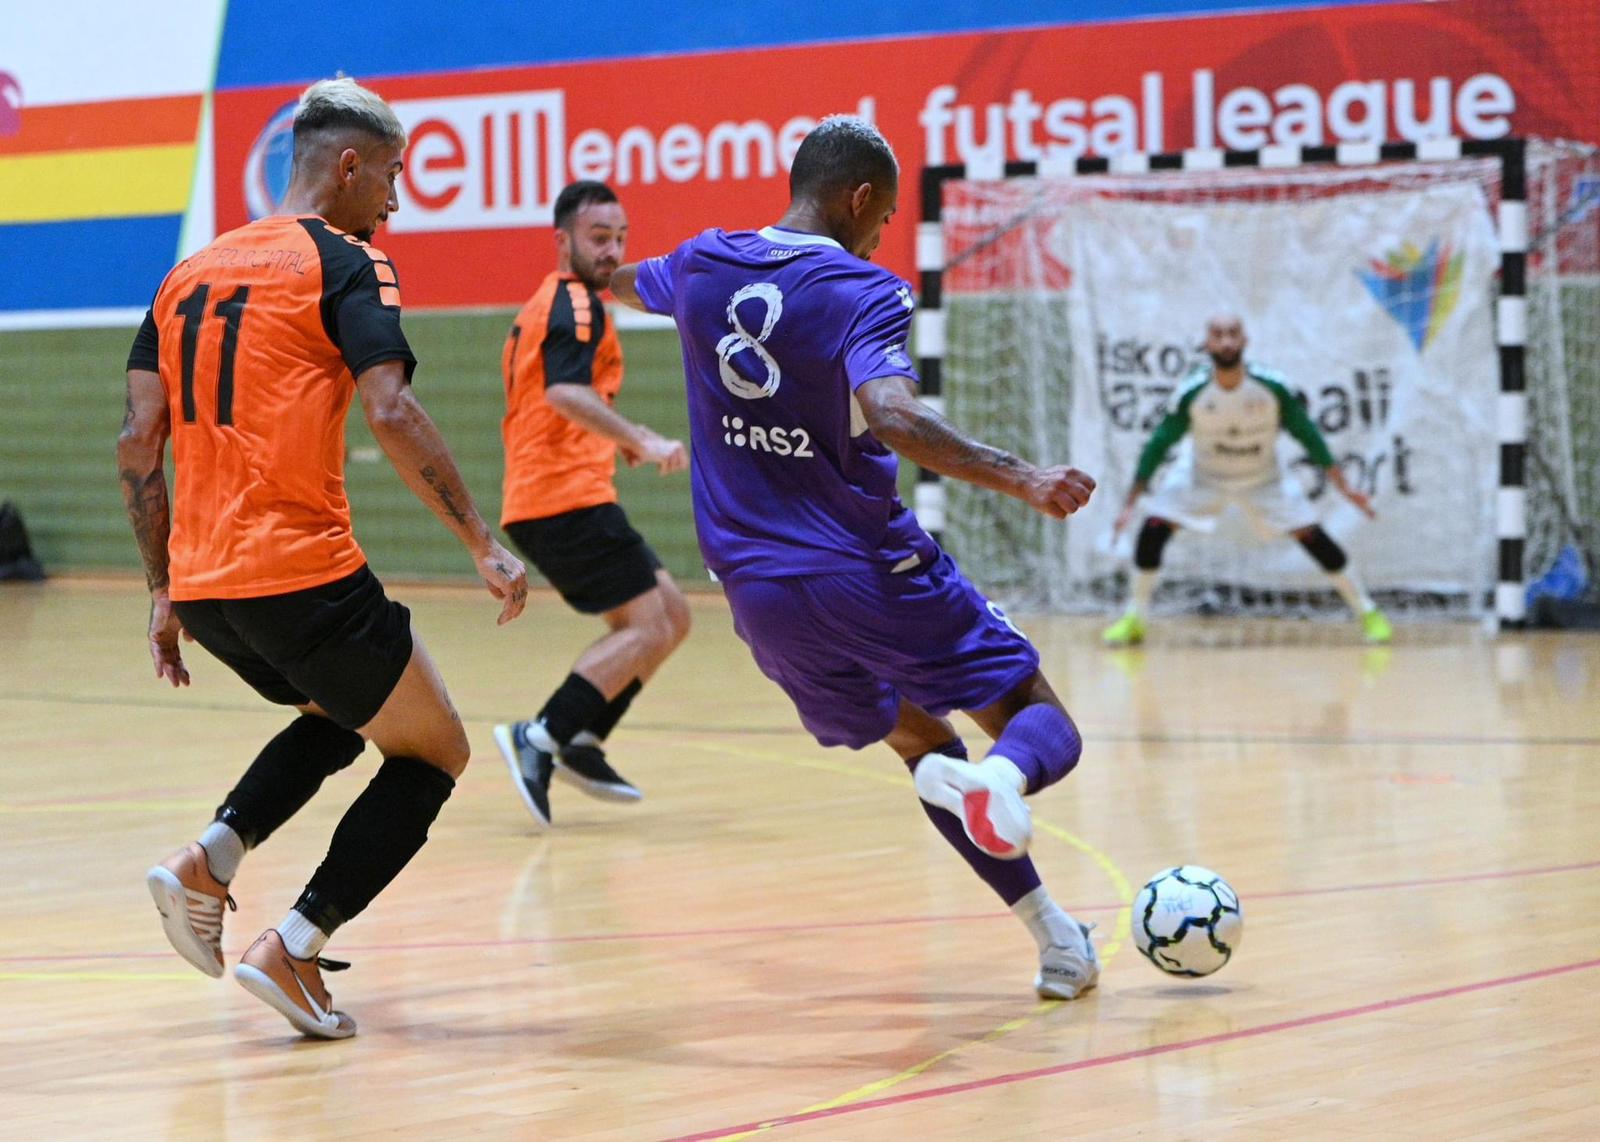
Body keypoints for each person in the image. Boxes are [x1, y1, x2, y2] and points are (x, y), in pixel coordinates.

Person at [611, 117, 1101, 1000]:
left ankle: (1057, 939)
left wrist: (582, 272)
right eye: (883, 218)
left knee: (925, 751)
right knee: (1040, 723)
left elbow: (614, 281)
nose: (881, 236)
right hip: (864, 569)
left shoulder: (701, 261)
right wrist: (1023, 477)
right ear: (859, 197)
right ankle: (1002, 780)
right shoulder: (861, 290)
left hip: (756, 595)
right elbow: (897, 417)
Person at [121, 77, 528, 1040]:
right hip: (300, 571)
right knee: (436, 752)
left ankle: (208, 859)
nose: (394, 201)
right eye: (389, 176)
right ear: (348, 166)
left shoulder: (188, 273)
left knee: (337, 717)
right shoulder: (346, 262)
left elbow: (140, 438)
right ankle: (295, 948)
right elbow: (389, 408)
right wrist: (481, 539)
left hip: (209, 587)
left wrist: (160, 590)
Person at [493, 181, 691, 829]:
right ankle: (542, 736)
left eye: (620, 240)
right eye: (597, 239)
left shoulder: (560, 305)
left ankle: (581, 741)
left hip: (568, 494)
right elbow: (562, 394)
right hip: (560, 499)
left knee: (675, 615)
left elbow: (569, 399)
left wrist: (618, 441)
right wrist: (641, 436)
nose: (612, 253)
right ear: (563, 241)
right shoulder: (575, 303)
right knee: (650, 627)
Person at [1102, 315, 1392, 646]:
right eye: (1218, 335)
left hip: (1263, 477)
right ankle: (1134, 618)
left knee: (1313, 537)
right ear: (1207, 343)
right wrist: (1130, 503)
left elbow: (1307, 435)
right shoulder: (1192, 391)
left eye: (1233, 335)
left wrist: (1344, 487)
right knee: (1152, 530)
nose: (1226, 342)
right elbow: (1159, 444)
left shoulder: (1272, 387)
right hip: (1203, 474)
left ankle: (1368, 612)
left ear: (1244, 341)